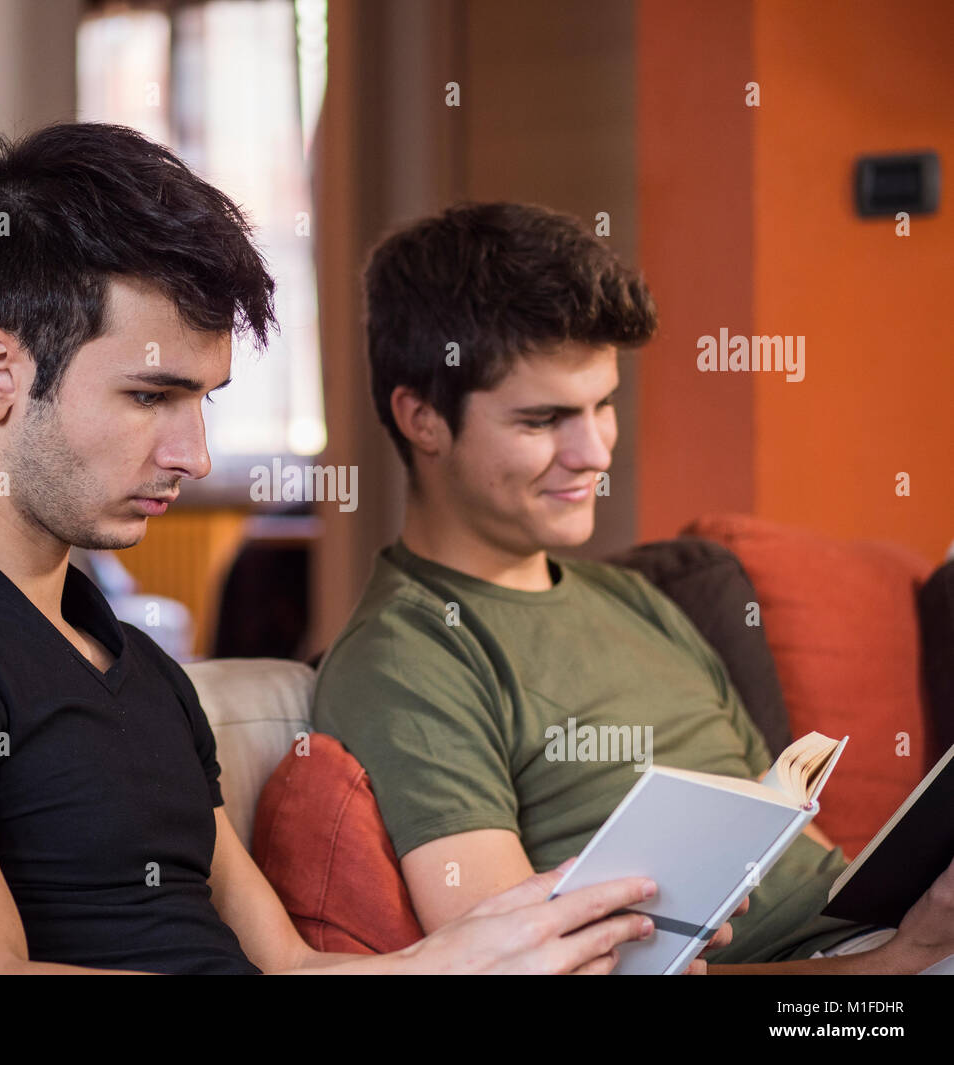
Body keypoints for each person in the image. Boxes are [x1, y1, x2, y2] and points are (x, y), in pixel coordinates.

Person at [0, 123, 691, 975]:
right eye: (150, 396)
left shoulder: (146, 672)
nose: (193, 454)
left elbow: (288, 967)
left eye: (205, 399)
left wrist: (491, 947)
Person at [310, 201, 954, 974]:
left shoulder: (636, 602)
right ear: (422, 418)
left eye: (603, 404)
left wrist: (910, 921)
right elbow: (530, 970)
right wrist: (899, 961)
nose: (592, 451)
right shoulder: (408, 655)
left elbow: (810, 859)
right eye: (545, 418)